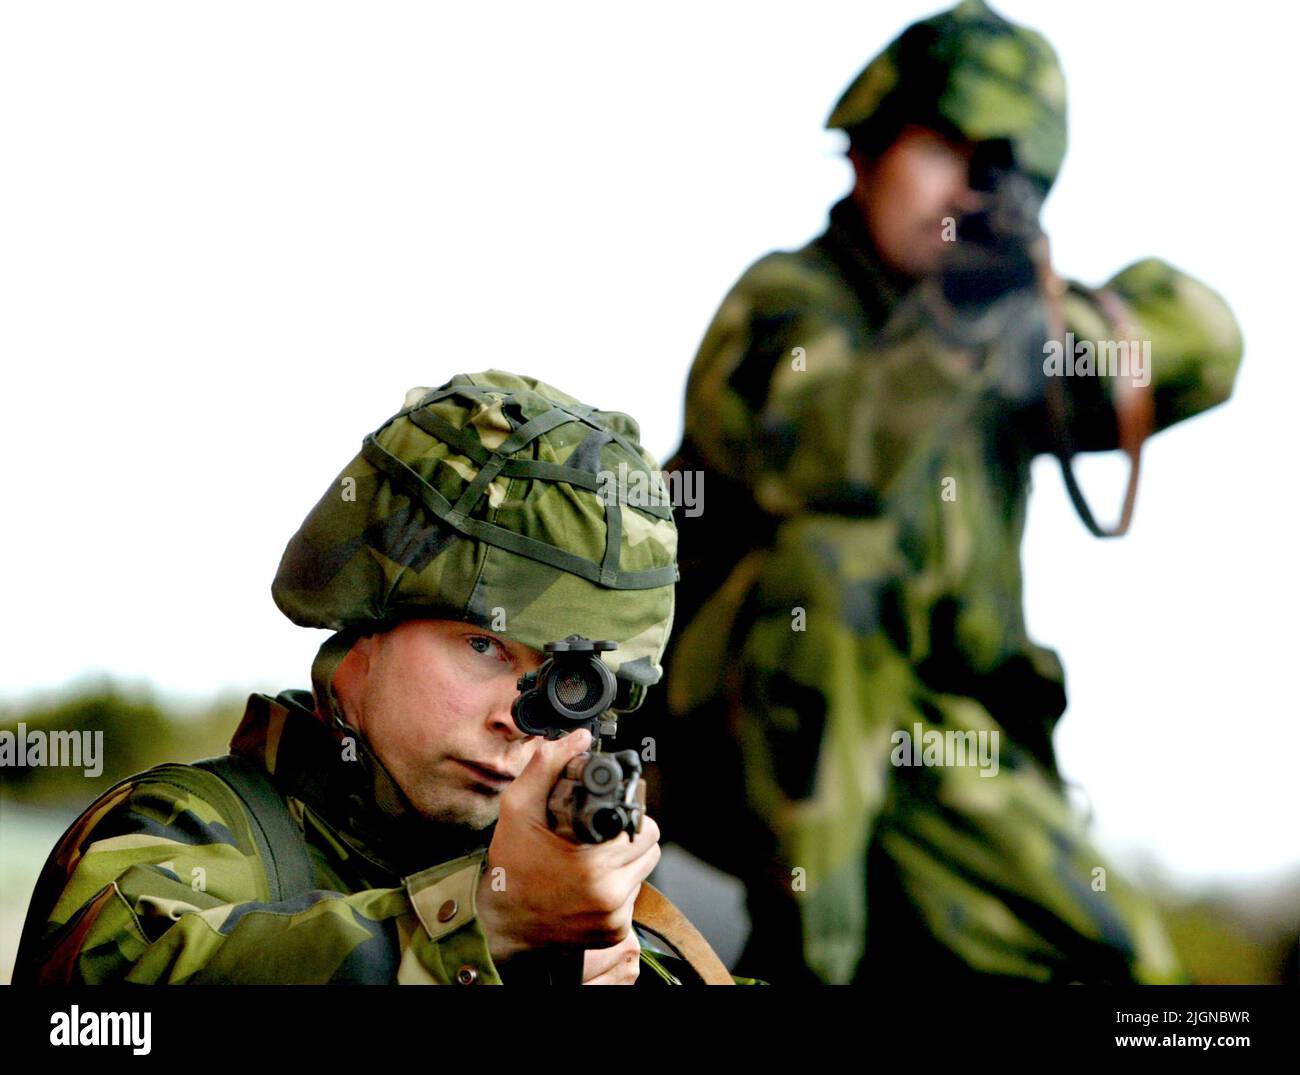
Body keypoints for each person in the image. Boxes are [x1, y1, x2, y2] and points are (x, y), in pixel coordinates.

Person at [649, 0, 1243, 984]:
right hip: (743, 717)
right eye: (935, 151)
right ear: (865, 152)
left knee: (1117, 962)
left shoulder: (1011, 329)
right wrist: (957, 325)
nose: (957, 193)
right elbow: (818, 462)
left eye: (991, 171)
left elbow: (1208, 345)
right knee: (832, 559)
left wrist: (1034, 323)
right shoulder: (791, 298)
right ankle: (805, 963)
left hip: (936, 738)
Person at [15, 370, 751, 985]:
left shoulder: (603, 930)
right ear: (368, 622)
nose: (517, 718)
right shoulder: (187, 832)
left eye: (569, 683)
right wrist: (486, 925)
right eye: (485, 647)